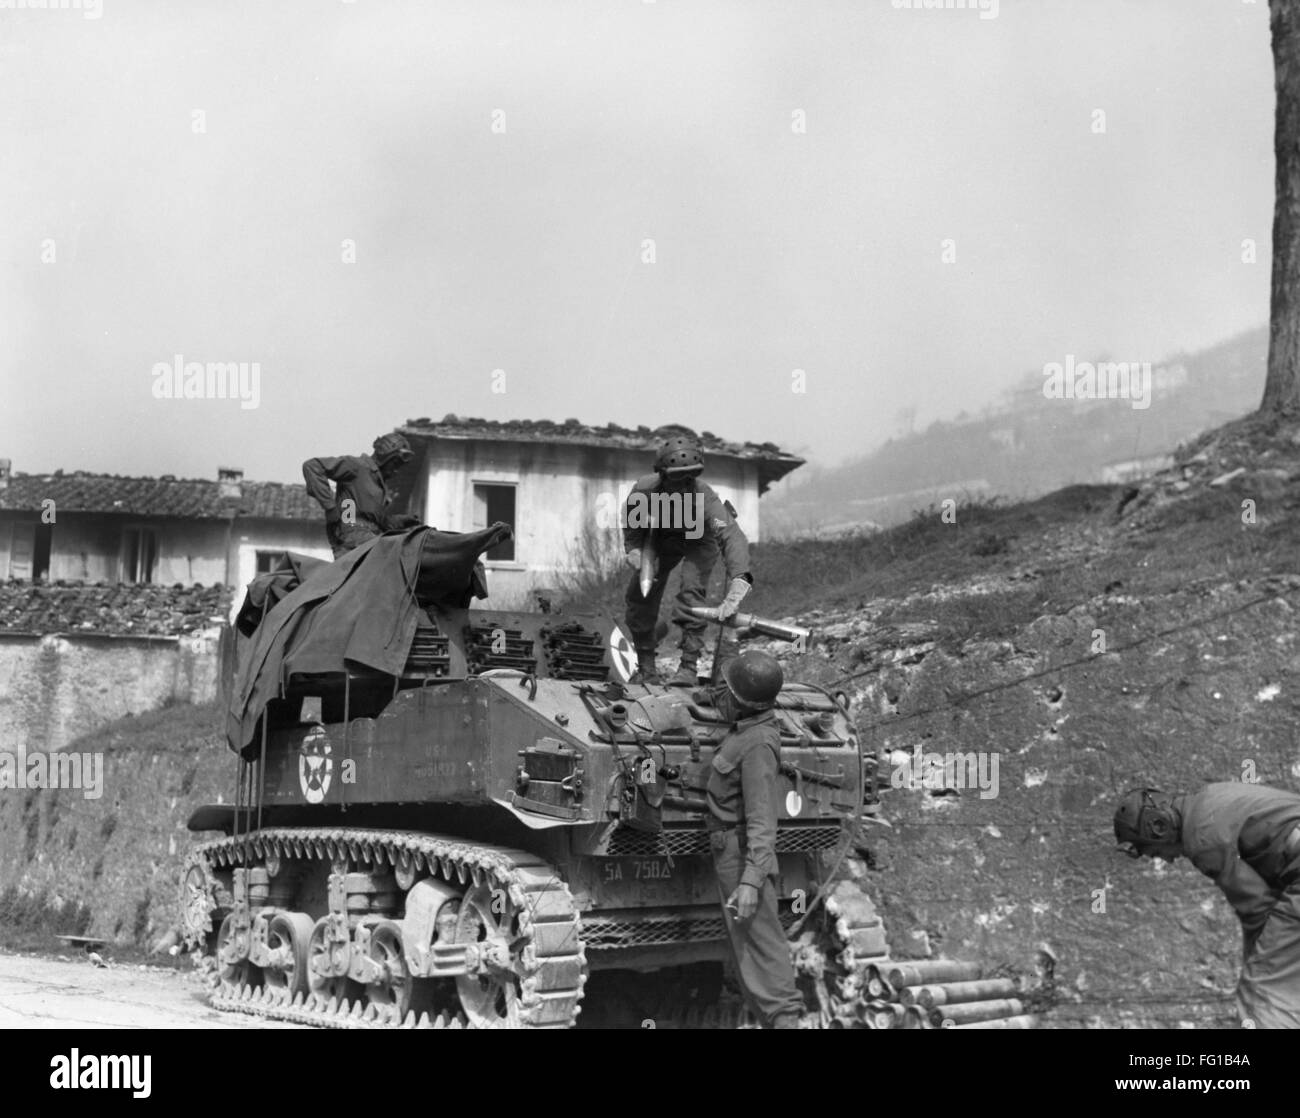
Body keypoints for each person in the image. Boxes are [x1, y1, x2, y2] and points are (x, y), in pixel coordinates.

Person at [1114, 782, 1300, 1028]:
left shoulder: (1202, 838)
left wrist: (1254, 965)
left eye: (1155, 852)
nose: (1167, 860)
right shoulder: (1211, 797)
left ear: (1158, 827)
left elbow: (1258, 910)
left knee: (1261, 991)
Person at [705, 649, 805, 1029]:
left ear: (740, 700)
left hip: (742, 855)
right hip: (730, 852)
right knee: (747, 954)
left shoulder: (758, 744)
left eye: (728, 692)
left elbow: (763, 819)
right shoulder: (748, 728)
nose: (723, 698)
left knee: (764, 950)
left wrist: (750, 881)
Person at [622, 435, 753, 686]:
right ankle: (646, 667)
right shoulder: (643, 490)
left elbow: (730, 535)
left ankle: (688, 667)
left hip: (698, 541)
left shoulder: (705, 498)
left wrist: (740, 577)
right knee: (640, 594)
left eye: (689, 477)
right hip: (660, 539)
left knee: (691, 591)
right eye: (676, 477)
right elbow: (633, 525)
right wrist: (634, 550)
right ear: (662, 474)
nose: (683, 484)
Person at [302, 433, 422, 558]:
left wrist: (402, 521)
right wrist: (330, 506)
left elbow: (378, 521)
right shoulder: (357, 466)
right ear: (385, 456)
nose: (396, 471)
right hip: (352, 533)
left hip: (371, 536)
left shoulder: (378, 485)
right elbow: (312, 466)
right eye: (395, 464)